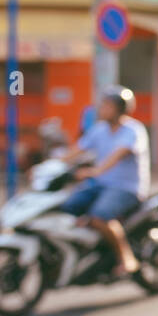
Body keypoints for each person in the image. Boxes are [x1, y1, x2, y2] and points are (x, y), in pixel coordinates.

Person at [58, 85, 149, 277]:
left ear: (120, 109)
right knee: (67, 206)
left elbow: (118, 154)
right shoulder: (99, 130)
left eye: (108, 105)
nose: (102, 109)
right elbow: (77, 150)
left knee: (100, 217)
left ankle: (126, 258)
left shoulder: (133, 131)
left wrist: (96, 170)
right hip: (101, 185)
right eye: (103, 105)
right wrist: (49, 166)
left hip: (126, 189)